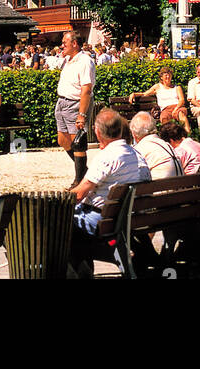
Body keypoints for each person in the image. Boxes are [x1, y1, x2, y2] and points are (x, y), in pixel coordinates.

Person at [68, 108, 150, 276]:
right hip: (120, 217)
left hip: (100, 220)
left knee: (58, 225)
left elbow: (78, 194)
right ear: (121, 130)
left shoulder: (107, 156)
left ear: (97, 132)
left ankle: (77, 271)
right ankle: (82, 270)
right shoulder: (134, 154)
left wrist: (60, 199)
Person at [56, 30, 95, 185]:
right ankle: (85, 172)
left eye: (64, 43)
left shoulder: (85, 61)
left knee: (77, 142)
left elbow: (86, 89)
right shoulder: (68, 60)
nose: (61, 46)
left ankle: (79, 180)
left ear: (74, 43)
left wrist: (82, 115)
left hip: (75, 103)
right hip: (62, 103)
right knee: (63, 141)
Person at [130, 111, 182, 179]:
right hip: (180, 187)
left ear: (134, 135)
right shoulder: (165, 144)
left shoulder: (140, 149)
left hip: (161, 188)